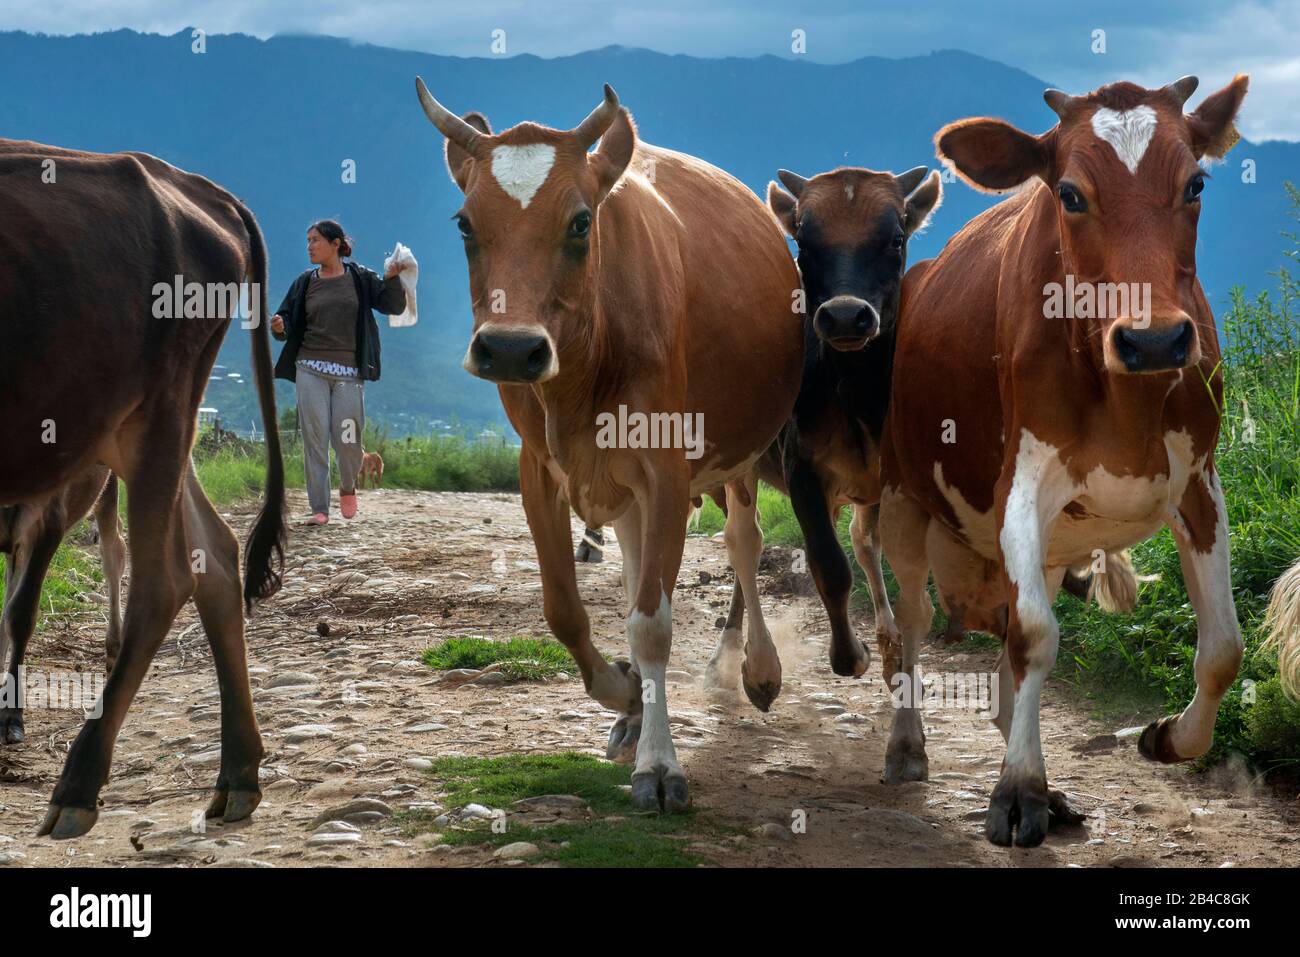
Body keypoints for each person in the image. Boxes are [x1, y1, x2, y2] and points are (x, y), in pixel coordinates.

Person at [270, 220, 405, 525]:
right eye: (307, 240)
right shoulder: (304, 282)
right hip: (309, 369)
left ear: (335, 244)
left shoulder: (360, 278)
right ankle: (319, 509)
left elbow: (392, 306)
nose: (309, 246)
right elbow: (286, 321)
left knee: (348, 441)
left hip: (349, 374)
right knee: (315, 439)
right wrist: (279, 326)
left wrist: (392, 278)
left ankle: (347, 485)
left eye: (315, 240)